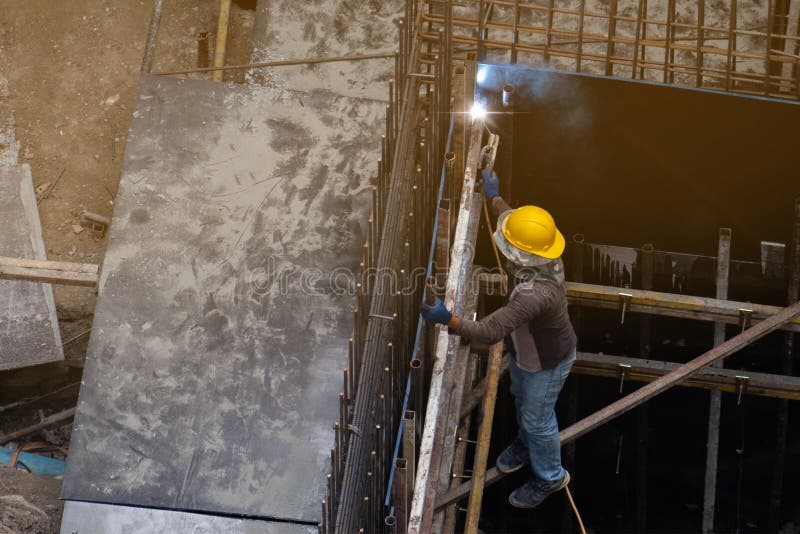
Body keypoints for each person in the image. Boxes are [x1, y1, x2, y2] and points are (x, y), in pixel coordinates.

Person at [420, 169, 577, 509]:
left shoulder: (534, 295)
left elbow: (490, 331)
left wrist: (448, 320)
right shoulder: (542, 249)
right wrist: (494, 196)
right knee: (521, 398)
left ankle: (550, 477)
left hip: (546, 363)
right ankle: (524, 443)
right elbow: (511, 220)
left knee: (538, 419)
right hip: (526, 352)